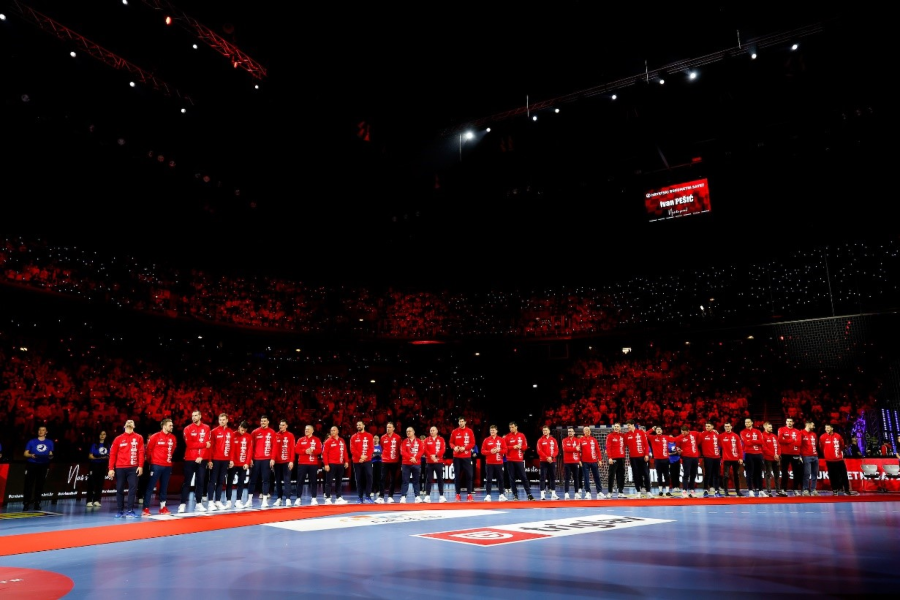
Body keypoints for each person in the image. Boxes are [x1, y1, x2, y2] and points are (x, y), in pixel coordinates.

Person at [107, 419, 144, 518]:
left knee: (132, 489)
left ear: (134, 426)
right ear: (124, 426)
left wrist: (140, 466)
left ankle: (130, 510)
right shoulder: (118, 439)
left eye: (132, 422)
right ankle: (120, 510)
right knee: (119, 489)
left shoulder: (139, 437)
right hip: (120, 468)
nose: (129, 423)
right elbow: (112, 454)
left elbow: (141, 452)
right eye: (128, 422)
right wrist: (111, 468)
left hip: (133, 467)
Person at [142, 418, 177, 516]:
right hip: (156, 465)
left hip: (167, 466)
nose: (172, 427)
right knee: (150, 487)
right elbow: (148, 451)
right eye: (170, 425)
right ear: (164, 426)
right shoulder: (155, 436)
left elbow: (173, 449)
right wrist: (151, 462)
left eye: (172, 425)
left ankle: (162, 508)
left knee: (164, 487)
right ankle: (145, 509)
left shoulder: (173, 438)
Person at [179, 409, 211, 513]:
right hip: (190, 458)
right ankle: (182, 504)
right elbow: (190, 445)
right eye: (192, 415)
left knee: (200, 482)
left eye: (196, 415)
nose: (194, 417)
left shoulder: (206, 428)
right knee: (186, 482)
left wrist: (201, 456)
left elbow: (208, 444)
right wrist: (204, 445)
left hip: (202, 459)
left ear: (200, 416)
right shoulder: (187, 428)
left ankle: (198, 503)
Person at [247, 415, 276, 508]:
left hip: (267, 459)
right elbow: (251, 447)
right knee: (252, 480)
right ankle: (249, 500)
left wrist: (272, 458)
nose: (263, 422)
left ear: (268, 422)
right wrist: (250, 458)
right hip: (256, 459)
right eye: (261, 421)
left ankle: (264, 501)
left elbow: (274, 446)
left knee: (266, 480)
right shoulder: (255, 432)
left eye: (264, 421)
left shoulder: (272, 432)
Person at [207, 413, 235, 511]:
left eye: (223, 419)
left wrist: (231, 459)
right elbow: (210, 448)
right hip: (215, 460)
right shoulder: (214, 431)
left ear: (227, 420)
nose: (222, 421)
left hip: (225, 460)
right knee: (212, 481)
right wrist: (210, 460)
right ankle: (210, 502)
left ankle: (218, 501)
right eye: (220, 420)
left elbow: (232, 448)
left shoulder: (231, 432)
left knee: (220, 481)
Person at [23, 425, 54, 511]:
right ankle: (26, 503)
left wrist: (51, 456)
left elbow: (50, 453)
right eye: (39, 430)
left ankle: (37, 503)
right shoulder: (32, 441)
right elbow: (25, 454)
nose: (41, 431)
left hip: (43, 465)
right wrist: (31, 455)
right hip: (32, 464)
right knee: (29, 484)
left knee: (39, 485)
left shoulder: (50, 442)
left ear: (46, 432)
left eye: (43, 430)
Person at [821, 423, 856, 496]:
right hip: (829, 460)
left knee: (843, 475)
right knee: (832, 476)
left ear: (832, 428)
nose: (826, 429)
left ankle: (846, 490)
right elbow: (821, 447)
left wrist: (838, 454)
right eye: (825, 428)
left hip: (839, 460)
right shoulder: (822, 437)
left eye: (828, 428)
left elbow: (842, 446)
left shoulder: (838, 436)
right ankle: (835, 490)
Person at [504, 421, 535, 501]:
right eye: (510, 427)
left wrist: (520, 447)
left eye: (513, 427)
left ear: (516, 427)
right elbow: (504, 448)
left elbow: (525, 446)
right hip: (510, 460)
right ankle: (515, 495)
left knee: (524, 477)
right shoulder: (507, 437)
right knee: (512, 478)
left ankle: (529, 494)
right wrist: (512, 447)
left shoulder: (521, 435)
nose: (511, 429)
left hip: (519, 459)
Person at [294, 424, 322, 506]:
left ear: (312, 431)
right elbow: (296, 450)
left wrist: (313, 451)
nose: (306, 430)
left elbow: (320, 450)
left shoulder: (316, 440)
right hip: (302, 463)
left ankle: (314, 498)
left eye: (308, 429)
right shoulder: (300, 440)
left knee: (313, 481)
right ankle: (298, 498)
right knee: (300, 481)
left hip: (313, 463)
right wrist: (305, 451)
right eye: (306, 429)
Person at [450, 417, 476, 502]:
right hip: (457, 457)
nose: (460, 423)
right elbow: (451, 442)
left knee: (469, 475)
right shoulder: (454, 431)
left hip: (466, 457)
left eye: (462, 421)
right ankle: (458, 495)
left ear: (465, 422)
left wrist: (464, 448)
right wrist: (455, 447)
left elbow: (472, 443)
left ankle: (469, 495)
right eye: (459, 421)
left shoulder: (469, 431)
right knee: (457, 476)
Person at [349, 420, 375, 505]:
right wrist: (361, 456)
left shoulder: (369, 436)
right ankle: (360, 497)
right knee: (359, 479)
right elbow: (352, 449)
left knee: (369, 477)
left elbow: (371, 448)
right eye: (357, 425)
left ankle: (368, 496)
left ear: (364, 425)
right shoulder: (353, 437)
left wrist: (365, 457)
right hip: (357, 461)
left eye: (360, 425)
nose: (358, 426)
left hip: (367, 460)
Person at [322, 425, 348, 505]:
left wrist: (346, 461)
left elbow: (345, 452)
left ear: (337, 431)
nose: (332, 432)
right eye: (331, 430)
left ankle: (338, 497)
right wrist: (326, 464)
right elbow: (324, 453)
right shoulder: (328, 441)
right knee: (329, 481)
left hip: (340, 464)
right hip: (331, 464)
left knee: (339, 481)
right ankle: (328, 498)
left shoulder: (342, 441)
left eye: (334, 430)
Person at [624, 420, 651, 498]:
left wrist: (646, 454)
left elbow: (646, 444)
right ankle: (638, 491)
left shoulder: (641, 432)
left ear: (633, 425)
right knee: (636, 475)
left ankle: (648, 491)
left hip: (642, 457)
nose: (628, 427)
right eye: (627, 425)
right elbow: (622, 444)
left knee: (646, 474)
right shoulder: (626, 435)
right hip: (633, 458)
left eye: (629, 425)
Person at [778, 418, 804, 496]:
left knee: (796, 472)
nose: (789, 423)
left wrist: (786, 440)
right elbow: (779, 440)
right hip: (784, 453)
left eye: (790, 421)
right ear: (786, 422)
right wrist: (792, 440)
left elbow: (799, 443)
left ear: (793, 422)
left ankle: (795, 489)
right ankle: (783, 489)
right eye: (787, 421)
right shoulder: (781, 429)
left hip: (795, 453)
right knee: (784, 472)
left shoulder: (797, 431)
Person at [481, 425, 507, 502]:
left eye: (493, 430)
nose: (492, 432)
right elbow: (482, 451)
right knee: (489, 479)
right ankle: (488, 495)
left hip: (499, 462)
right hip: (489, 463)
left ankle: (501, 495)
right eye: (491, 430)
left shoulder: (501, 440)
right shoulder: (486, 440)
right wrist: (490, 452)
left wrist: (499, 450)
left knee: (501, 479)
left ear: (496, 431)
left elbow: (505, 450)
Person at [229, 421, 252, 508]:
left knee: (241, 483)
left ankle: (238, 501)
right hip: (233, 463)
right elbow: (231, 449)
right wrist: (231, 460)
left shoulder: (249, 437)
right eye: (242, 430)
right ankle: (228, 501)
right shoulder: (233, 435)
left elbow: (249, 451)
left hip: (243, 464)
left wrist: (247, 462)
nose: (243, 432)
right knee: (230, 482)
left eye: (245, 430)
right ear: (239, 427)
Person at [273, 419, 296, 506]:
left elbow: (292, 449)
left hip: (286, 461)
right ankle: (279, 498)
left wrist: (291, 461)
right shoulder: (275, 435)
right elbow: (273, 449)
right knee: (277, 481)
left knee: (287, 480)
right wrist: (273, 459)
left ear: (286, 426)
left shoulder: (290, 435)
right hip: (277, 462)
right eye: (280, 425)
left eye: (283, 425)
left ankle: (288, 499)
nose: (281, 426)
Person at [741, 418, 765, 497]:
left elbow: (761, 441)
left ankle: (761, 490)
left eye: (748, 422)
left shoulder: (757, 431)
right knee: (749, 473)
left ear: (752, 423)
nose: (747, 423)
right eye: (745, 422)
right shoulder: (743, 432)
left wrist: (751, 441)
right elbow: (746, 443)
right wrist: (755, 441)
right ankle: (750, 490)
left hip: (758, 454)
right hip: (749, 454)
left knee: (759, 473)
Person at [676, 424, 702, 498]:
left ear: (688, 431)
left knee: (693, 474)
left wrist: (713, 431)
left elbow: (702, 434)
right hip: (686, 458)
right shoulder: (680, 437)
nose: (683, 434)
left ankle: (692, 490)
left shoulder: (694, 433)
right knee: (686, 474)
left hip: (695, 457)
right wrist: (678, 450)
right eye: (682, 432)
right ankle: (684, 491)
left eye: (684, 432)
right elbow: (677, 446)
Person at [400, 426, 424, 503]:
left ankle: (417, 496)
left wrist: (415, 458)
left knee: (416, 481)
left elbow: (421, 451)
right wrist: (411, 458)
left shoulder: (419, 441)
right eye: (407, 431)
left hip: (416, 463)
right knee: (405, 481)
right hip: (406, 464)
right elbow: (402, 452)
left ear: (413, 432)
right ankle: (403, 496)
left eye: (409, 431)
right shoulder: (404, 441)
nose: (408, 433)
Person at [379, 421, 402, 503]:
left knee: (392, 479)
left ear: (393, 428)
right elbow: (382, 447)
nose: (388, 429)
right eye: (387, 427)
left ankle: (390, 496)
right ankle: (381, 496)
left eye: (390, 427)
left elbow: (400, 449)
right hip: (385, 461)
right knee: (382, 478)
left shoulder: (398, 438)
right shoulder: (382, 437)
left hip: (394, 461)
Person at [423, 426, 447, 502]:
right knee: (428, 479)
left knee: (440, 479)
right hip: (429, 462)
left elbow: (443, 449)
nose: (432, 432)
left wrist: (436, 456)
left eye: (433, 430)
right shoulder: (426, 440)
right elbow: (425, 449)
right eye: (431, 430)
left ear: (437, 431)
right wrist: (431, 456)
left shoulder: (441, 439)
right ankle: (427, 496)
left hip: (438, 462)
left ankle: (441, 496)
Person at [86, 430, 109, 508]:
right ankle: (89, 500)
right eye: (101, 434)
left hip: (103, 465)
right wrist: (99, 457)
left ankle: (96, 500)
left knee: (100, 483)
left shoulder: (107, 445)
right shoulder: (94, 444)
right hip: (94, 465)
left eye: (104, 434)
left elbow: (109, 455)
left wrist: (104, 457)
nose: (102, 436)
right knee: (92, 483)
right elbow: (90, 456)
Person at [719, 422, 744, 497]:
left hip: (735, 458)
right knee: (725, 475)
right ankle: (726, 491)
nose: (727, 428)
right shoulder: (721, 436)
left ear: (731, 427)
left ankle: (738, 491)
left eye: (728, 426)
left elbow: (740, 447)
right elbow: (718, 445)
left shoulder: (736, 436)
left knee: (736, 475)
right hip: (726, 459)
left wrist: (741, 458)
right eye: (725, 426)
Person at [647, 426, 672, 497]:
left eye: (660, 429)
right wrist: (651, 429)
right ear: (655, 431)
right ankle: (660, 491)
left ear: (662, 431)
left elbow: (675, 439)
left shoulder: (666, 437)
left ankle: (667, 491)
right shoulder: (653, 438)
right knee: (659, 476)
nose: (658, 431)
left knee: (667, 475)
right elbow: (645, 434)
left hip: (666, 459)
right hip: (657, 460)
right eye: (657, 430)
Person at [580, 426, 604, 500]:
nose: (587, 431)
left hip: (594, 461)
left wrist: (600, 460)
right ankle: (588, 492)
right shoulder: (580, 440)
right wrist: (579, 460)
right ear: (583, 432)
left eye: (588, 430)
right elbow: (578, 451)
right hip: (585, 462)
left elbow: (598, 450)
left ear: (590, 431)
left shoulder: (594, 440)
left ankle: (599, 491)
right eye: (585, 430)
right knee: (586, 478)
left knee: (597, 476)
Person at [536, 425, 560, 500]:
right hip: (543, 461)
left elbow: (556, 450)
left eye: (546, 430)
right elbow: (539, 451)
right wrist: (547, 457)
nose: (545, 432)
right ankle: (542, 494)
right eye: (544, 430)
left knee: (553, 477)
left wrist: (552, 457)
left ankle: (553, 493)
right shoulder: (540, 440)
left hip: (552, 461)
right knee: (542, 477)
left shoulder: (553, 440)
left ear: (549, 431)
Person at [699, 422, 721, 498]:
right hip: (707, 457)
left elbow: (720, 444)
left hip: (717, 457)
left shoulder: (716, 434)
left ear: (712, 426)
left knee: (717, 474)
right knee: (708, 474)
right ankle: (705, 490)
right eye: (706, 426)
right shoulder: (702, 434)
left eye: (708, 426)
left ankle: (717, 490)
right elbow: (698, 442)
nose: (707, 427)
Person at [561, 426, 583, 500]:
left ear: (574, 432)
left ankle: (576, 493)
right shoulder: (564, 440)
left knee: (576, 478)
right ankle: (566, 493)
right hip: (567, 461)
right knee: (567, 478)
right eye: (569, 431)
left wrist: (579, 460)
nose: (570, 432)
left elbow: (578, 450)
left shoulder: (577, 440)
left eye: (571, 431)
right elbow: (565, 449)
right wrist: (574, 449)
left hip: (575, 461)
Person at [606, 422, 626, 499]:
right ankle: (610, 492)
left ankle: (620, 491)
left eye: (618, 426)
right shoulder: (610, 436)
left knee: (621, 475)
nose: (616, 428)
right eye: (615, 426)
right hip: (613, 458)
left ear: (620, 428)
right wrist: (610, 458)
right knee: (611, 475)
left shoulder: (623, 436)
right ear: (613, 428)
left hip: (621, 458)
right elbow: (608, 447)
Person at [799, 419, 820, 496]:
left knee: (815, 474)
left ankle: (813, 489)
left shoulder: (814, 434)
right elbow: (799, 444)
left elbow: (816, 444)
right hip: (806, 456)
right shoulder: (801, 433)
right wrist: (800, 455)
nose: (814, 426)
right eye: (812, 425)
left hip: (815, 456)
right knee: (807, 473)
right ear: (807, 424)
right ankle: (805, 490)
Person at [761, 421, 781, 496]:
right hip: (767, 458)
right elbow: (764, 448)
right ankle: (769, 491)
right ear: (765, 427)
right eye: (769, 427)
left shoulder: (774, 436)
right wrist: (773, 455)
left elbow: (778, 446)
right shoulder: (762, 436)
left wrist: (778, 455)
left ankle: (778, 490)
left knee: (777, 475)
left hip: (776, 458)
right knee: (768, 474)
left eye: (771, 427)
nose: (771, 428)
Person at [371, 434, 383, 502]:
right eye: (374, 438)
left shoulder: (380, 446)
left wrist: (380, 455)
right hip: (373, 462)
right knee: (373, 477)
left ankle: (378, 490)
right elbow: (369, 455)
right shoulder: (371, 446)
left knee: (378, 477)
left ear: (379, 440)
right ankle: (372, 490)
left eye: (377, 438)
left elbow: (383, 454)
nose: (375, 440)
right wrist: (373, 455)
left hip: (379, 462)